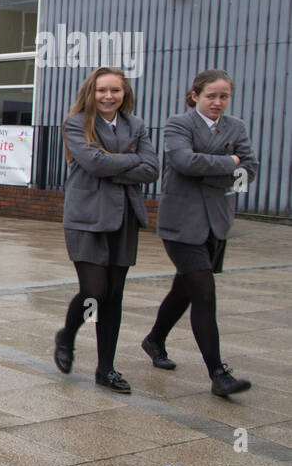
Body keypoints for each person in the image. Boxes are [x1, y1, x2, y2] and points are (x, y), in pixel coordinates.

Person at [142, 69, 259, 397]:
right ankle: (219, 374)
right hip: (181, 224)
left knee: (185, 290)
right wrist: (227, 162)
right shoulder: (178, 124)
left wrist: (217, 169)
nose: (218, 103)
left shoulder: (236, 127)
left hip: (217, 223)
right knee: (204, 292)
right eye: (211, 96)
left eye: (224, 97)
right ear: (195, 95)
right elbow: (184, 162)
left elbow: (248, 171)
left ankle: (154, 340)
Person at [53, 66, 159, 394]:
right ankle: (67, 335)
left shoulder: (136, 125)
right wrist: (129, 159)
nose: (108, 96)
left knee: (114, 296)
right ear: (91, 92)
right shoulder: (76, 123)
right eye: (102, 90)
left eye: (115, 90)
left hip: (124, 219)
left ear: (124, 93)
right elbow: (94, 163)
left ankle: (106, 368)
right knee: (94, 291)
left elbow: (152, 168)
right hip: (86, 219)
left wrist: (111, 161)